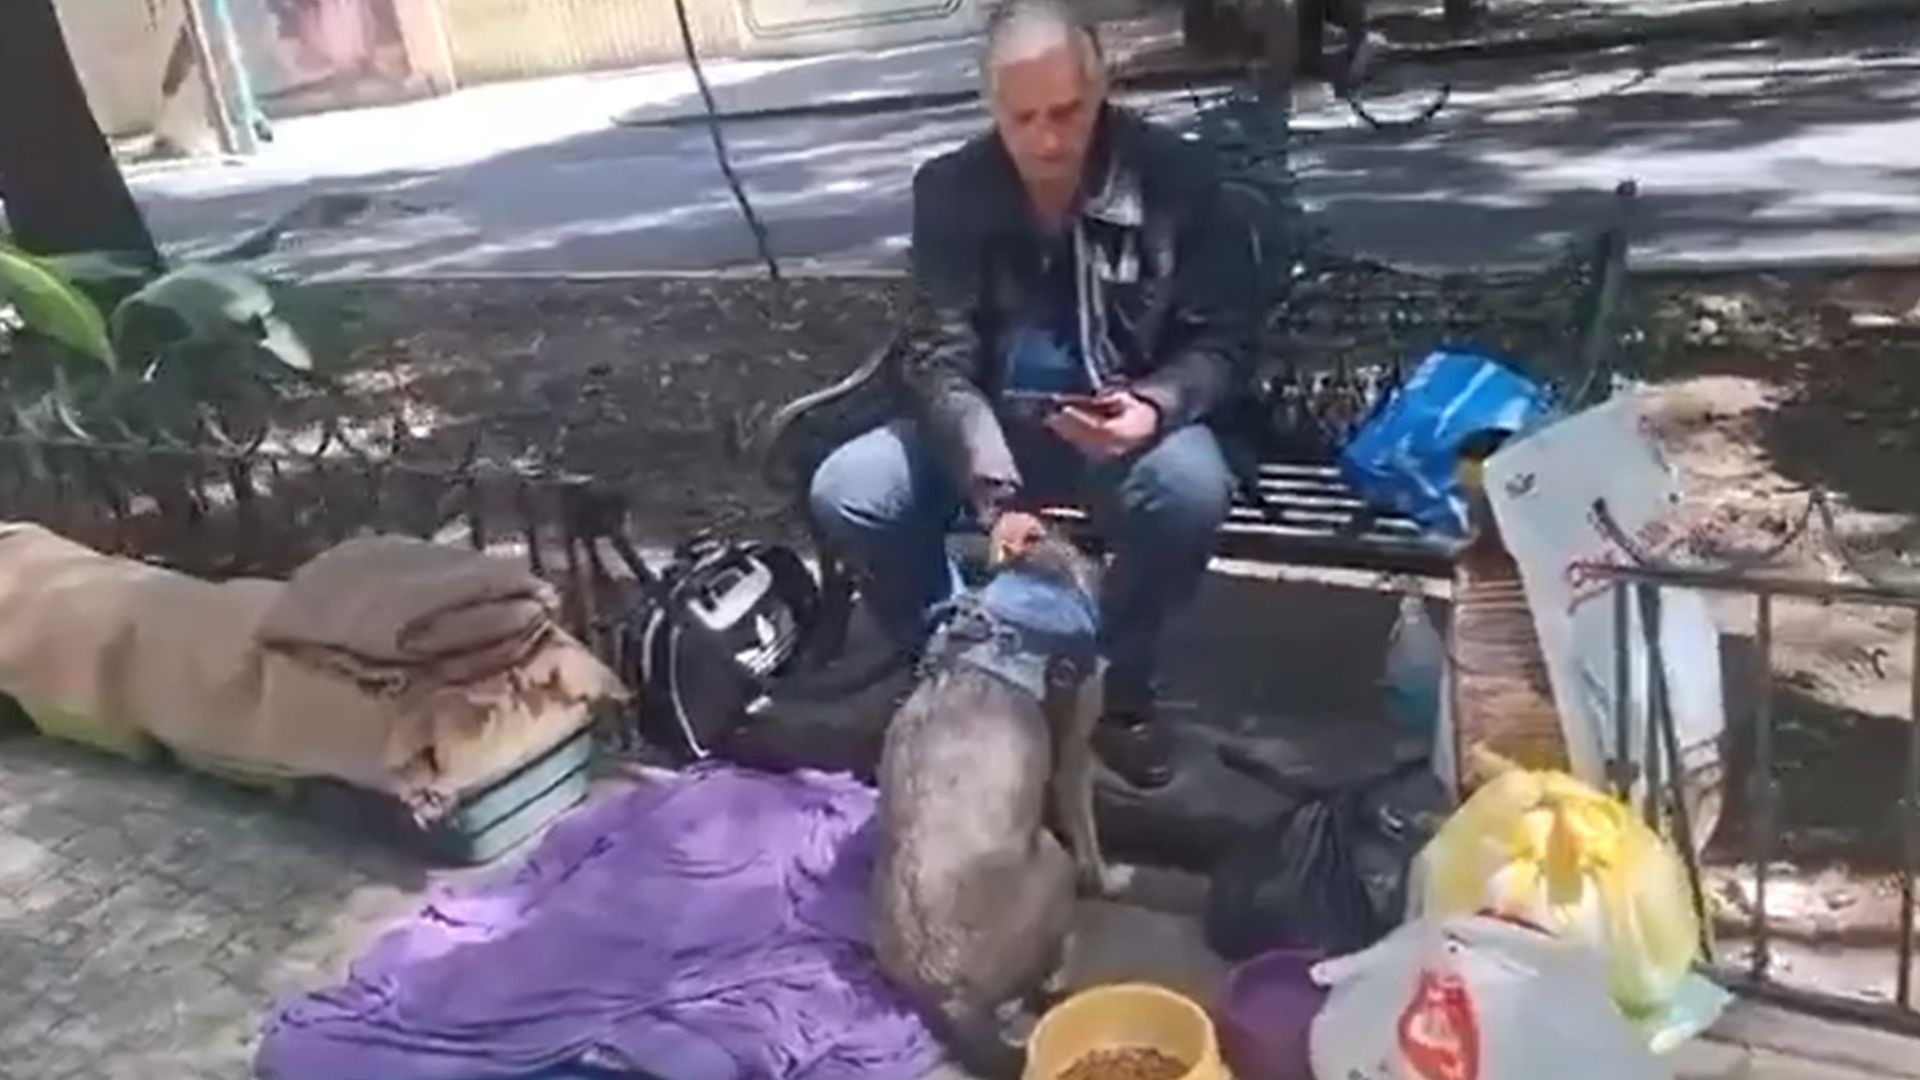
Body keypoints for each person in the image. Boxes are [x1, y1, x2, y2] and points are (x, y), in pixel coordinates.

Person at [808, 0, 1259, 790]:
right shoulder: (951, 190)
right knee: (851, 489)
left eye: (1068, 112)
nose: (1049, 140)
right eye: (1024, 119)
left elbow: (1223, 343)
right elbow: (937, 362)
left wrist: (1153, 406)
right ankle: (963, 660)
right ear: (992, 110)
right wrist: (993, 491)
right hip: (987, 429)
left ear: (1102, 91)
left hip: (1123, 429)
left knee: (1189, 488)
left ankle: (1117, 690)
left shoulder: (1177, 179)